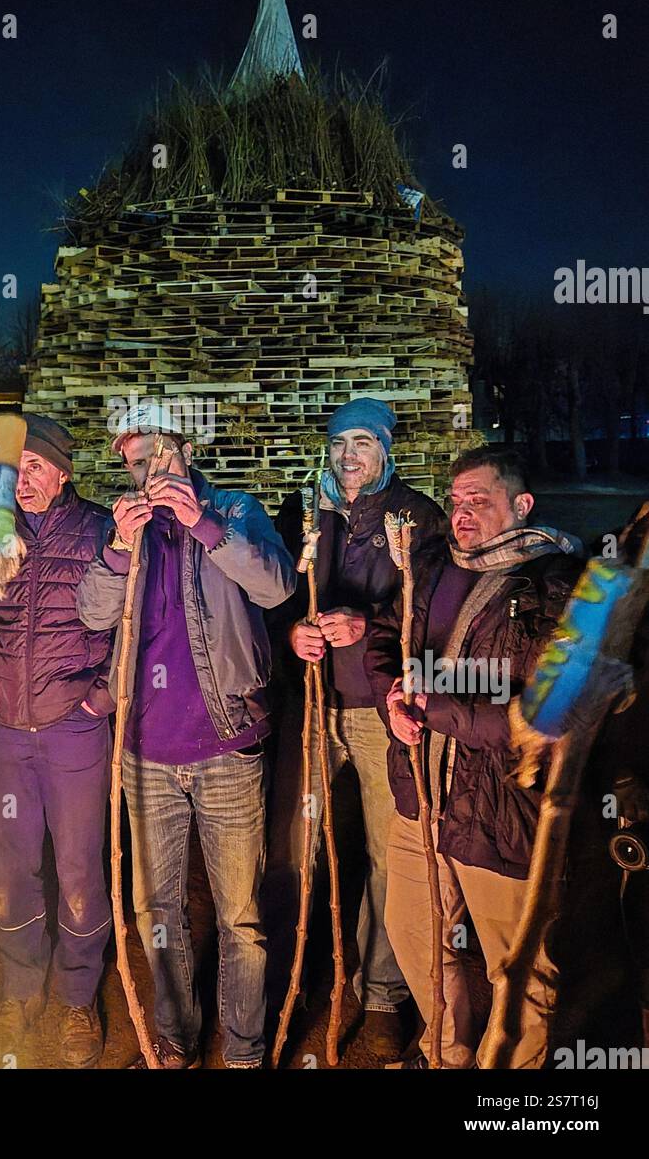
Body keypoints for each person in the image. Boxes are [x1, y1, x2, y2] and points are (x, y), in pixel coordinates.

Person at [78, 400, 295, 1068]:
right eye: (133, 460)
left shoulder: (233, 511)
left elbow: (276, 587)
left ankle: (244, 1047)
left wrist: (202, 525)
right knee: (155, 909)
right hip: (144, 753)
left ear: (185, 453)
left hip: (227, 743)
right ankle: (175, 1034)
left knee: (241, 919)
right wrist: (117, 549)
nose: (145, 470)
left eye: (156, 455)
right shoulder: (126, 530)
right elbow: (91, 612)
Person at [366, 445, 584, 1068]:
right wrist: (391, 697)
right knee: (417, 938)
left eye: (479, 501)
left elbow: (550, 716)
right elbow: (387, 636)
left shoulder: (554, 584)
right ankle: (446, 1055)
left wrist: (439, 709)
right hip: (419, 795)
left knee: (516, 968)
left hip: (497, 806)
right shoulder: (429, 566)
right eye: (456, 501)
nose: (462, 513)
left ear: (521, 505)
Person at [265, 397, 445, 1059]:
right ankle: (290, 979)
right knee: (295, 842)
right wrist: (290, 631)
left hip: (377, 708)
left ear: (385, 451)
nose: (348, 456)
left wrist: (367, 626)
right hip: (311, 704)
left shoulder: (415, 519)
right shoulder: (304, 513)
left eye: (362, 444)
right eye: (339, 443)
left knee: (385, 852)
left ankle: (379, 995)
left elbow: (432, 609)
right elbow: (275, 594)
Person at [0, 415, 114, 1068]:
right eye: (12, 468)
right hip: (5, 736)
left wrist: (99, 698)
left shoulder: (100, 531)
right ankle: (21, 991)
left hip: (73, 729)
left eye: (34, 467)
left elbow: (132, 620)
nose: (20, 480)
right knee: (12, 870)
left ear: (63, 471)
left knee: (80, 870)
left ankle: (77, 998)